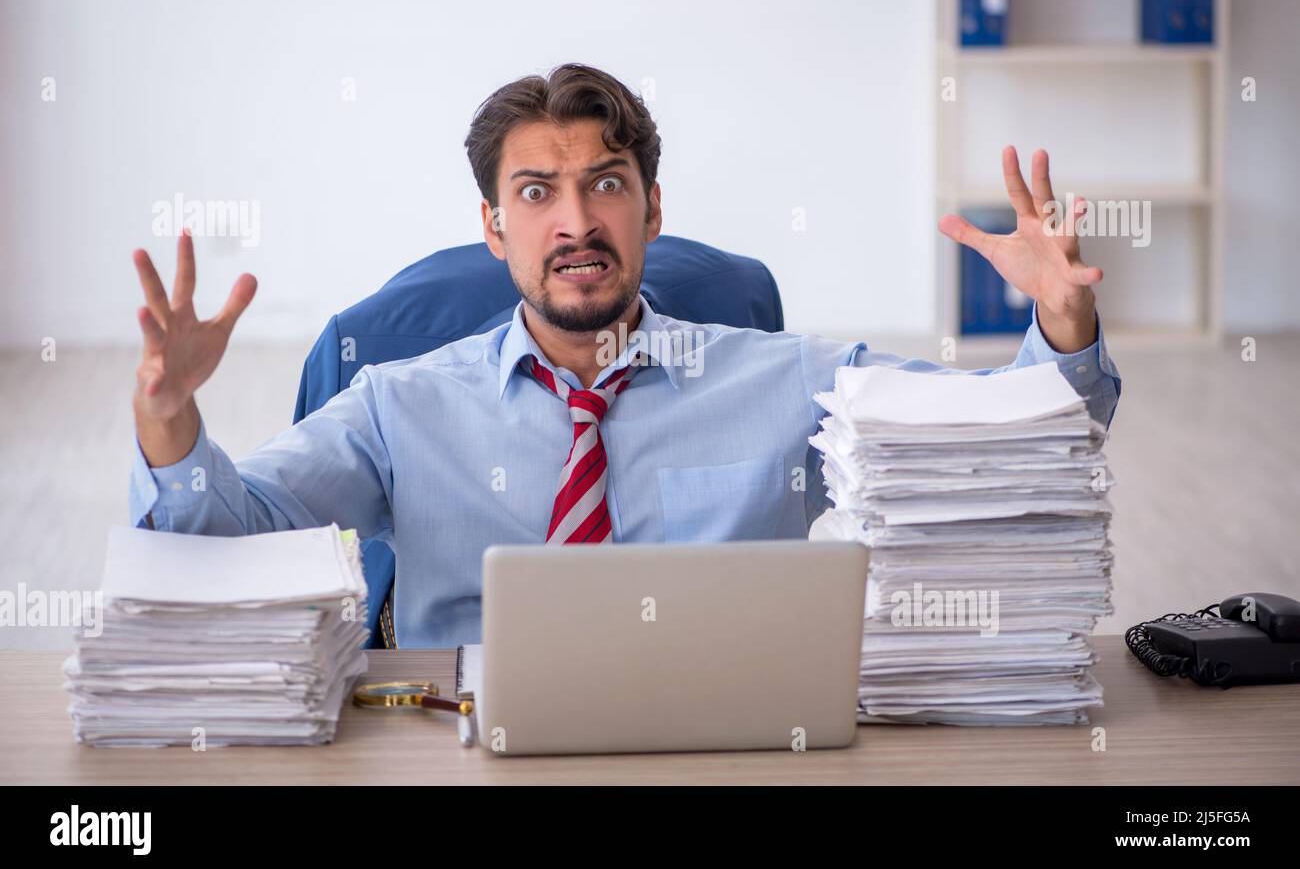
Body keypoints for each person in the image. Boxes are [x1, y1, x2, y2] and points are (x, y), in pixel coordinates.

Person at [129, 63, 1121, 647]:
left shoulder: (788, 380)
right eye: (535, 194)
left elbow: (1005, 448)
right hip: (465, 754)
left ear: (652, 207)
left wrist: (1058, 324)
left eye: (605, 184)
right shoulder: (399, 406)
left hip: (727, 752)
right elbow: (223, 538)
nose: (574, 223)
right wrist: (171, 419)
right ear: (492, 228)